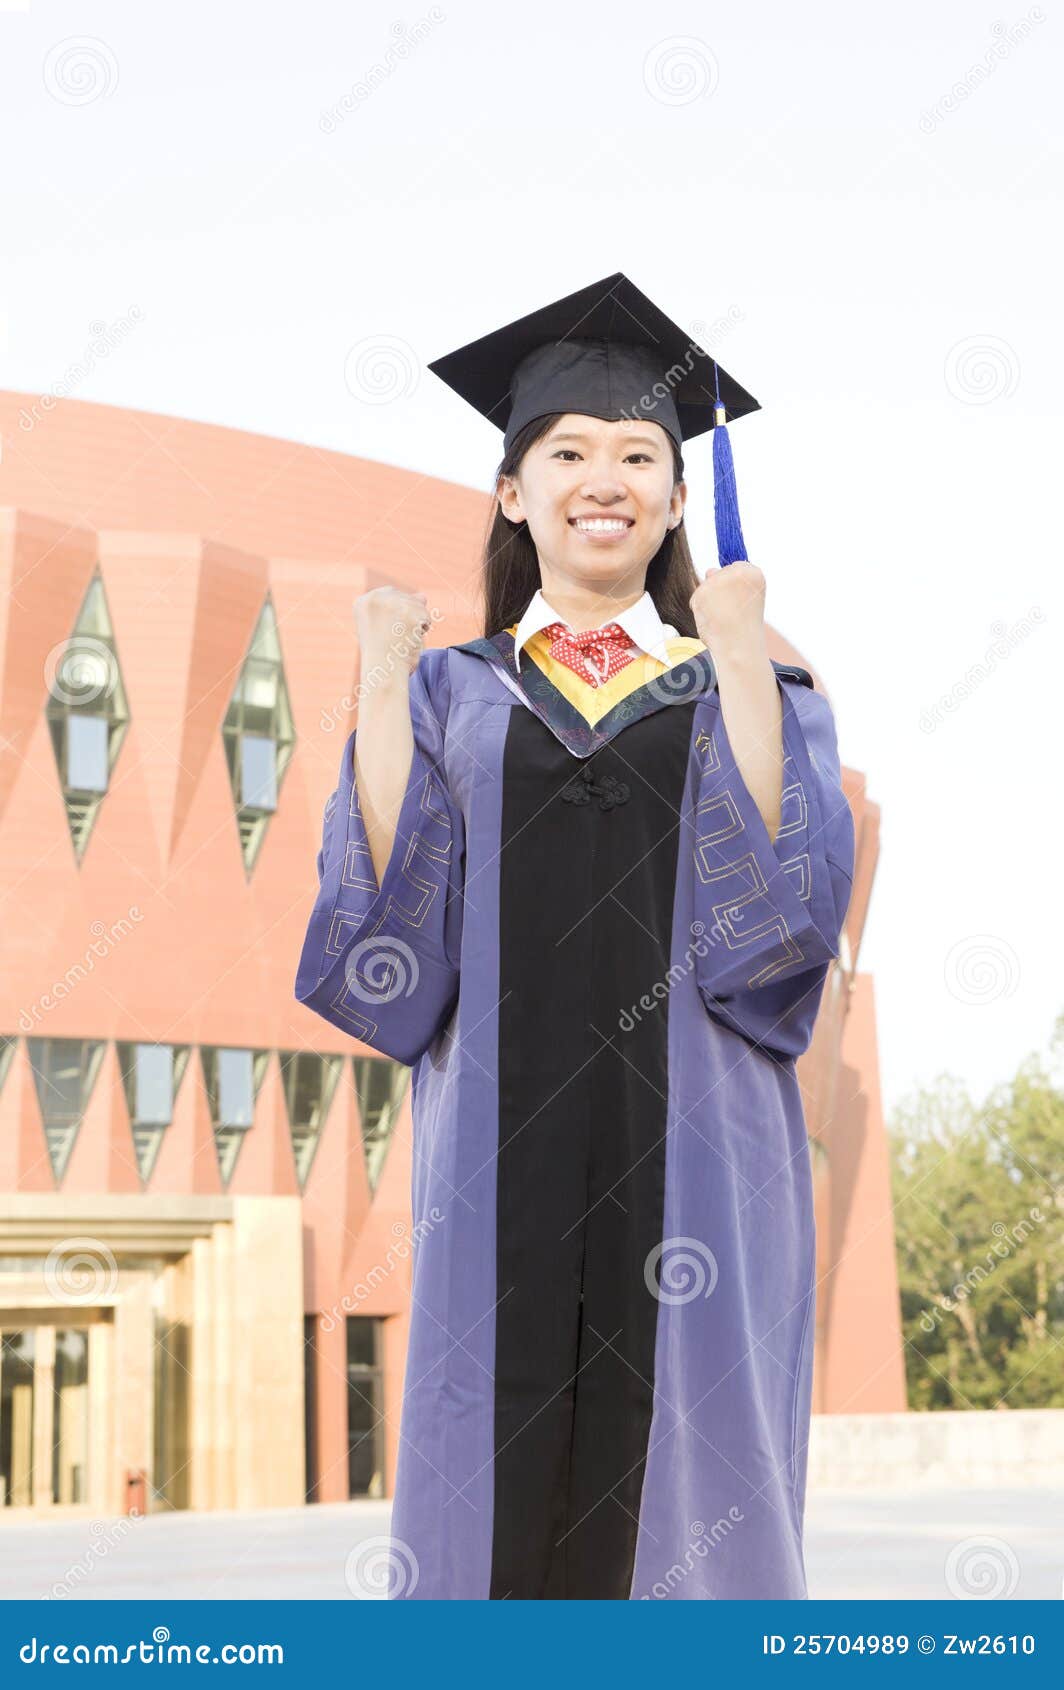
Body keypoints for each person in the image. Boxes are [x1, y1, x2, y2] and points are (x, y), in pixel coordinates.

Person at [294, 273, 856, 1600]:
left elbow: (779, 934)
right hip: (500, 1160)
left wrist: (739, 652)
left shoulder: (746, 685)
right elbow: (389, 953)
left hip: (703, 1160)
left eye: (639, 455)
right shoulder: (448, 689)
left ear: (672, 498)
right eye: (567, 451)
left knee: (698, 1504)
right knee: (492, 1482)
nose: (603, 477)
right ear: (511, 491)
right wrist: (380, 680)